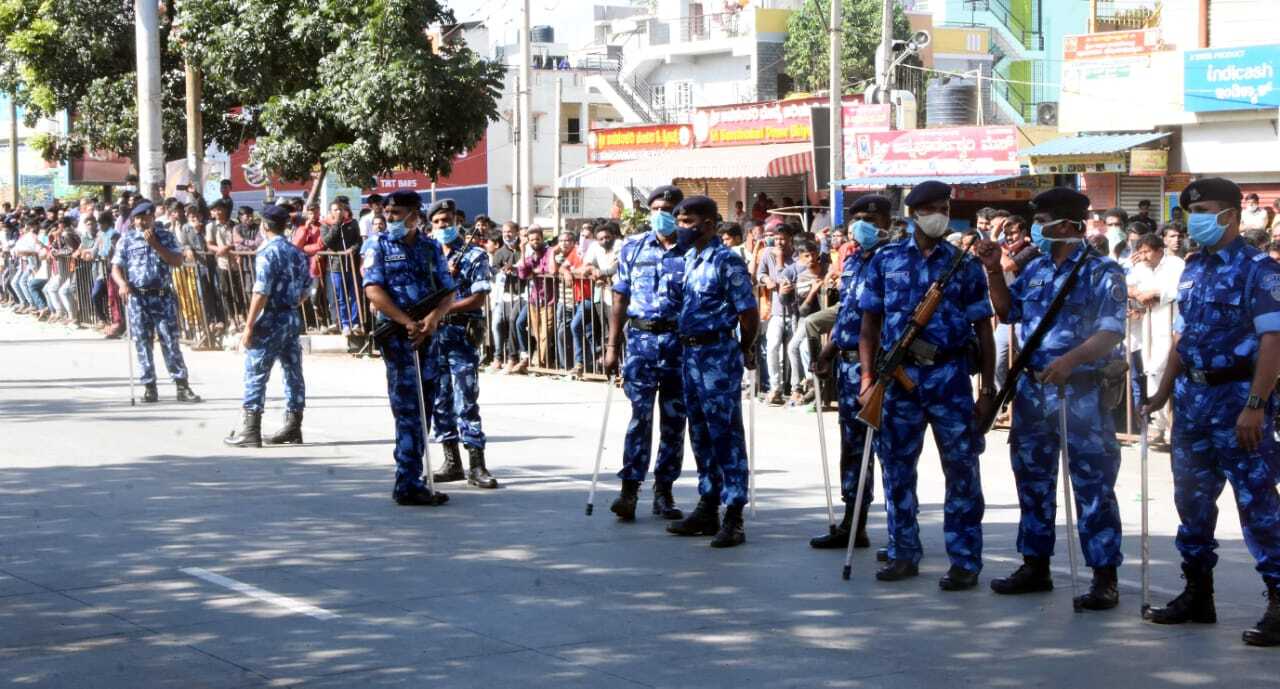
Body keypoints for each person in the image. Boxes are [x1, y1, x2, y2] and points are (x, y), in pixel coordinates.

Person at [1141, 177, 1280, 646]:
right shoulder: (1194, 269)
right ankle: (1197, 593)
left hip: (1239, 401)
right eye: (1192, 211)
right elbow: (1184, 337)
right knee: (1192, 504)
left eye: (1208, 210)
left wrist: (1256, 406)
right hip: (1194, 403)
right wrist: (1162, 393)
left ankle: (1279, 600)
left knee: (1258, 503)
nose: (1197, 218)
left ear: (1233, 216)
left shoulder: (1259, 270)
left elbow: (1273, 341)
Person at [980, 187, 1127, 610]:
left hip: (1079, 391)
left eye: (1042, 221)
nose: (1036, 230)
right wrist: (993, 272)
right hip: (1032, 391)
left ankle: (1104, 576)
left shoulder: (1102, 272)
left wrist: (1071, 360)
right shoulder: (1037, 268)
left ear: (1064, 225)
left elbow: (1111, 330)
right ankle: (1035, 564)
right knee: (1032, 480)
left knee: (1093, 485)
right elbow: (1009, 312)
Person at [857, 180, 995, 589]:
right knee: (897, 469)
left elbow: (983, 329)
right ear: (913, 213)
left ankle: (965, 560)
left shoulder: (963, 264)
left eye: (945, 207)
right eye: (932, 208)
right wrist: (867, 378)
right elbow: (869, 323)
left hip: (949, 377)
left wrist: (987, 390)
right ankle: (903, 551)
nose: (940, 215)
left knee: (962, 471)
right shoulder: (885, 260)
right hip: (897, 381)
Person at [664, 196, 760, 548]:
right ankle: (708, 505)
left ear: (707, 224)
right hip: (691, 354)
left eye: (687, 221)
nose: (680, 228)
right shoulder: (691, 259)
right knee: (701, 433)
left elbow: (747, 314)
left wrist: (745, 348)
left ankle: (734, 513)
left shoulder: (726, 261)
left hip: (717, 354)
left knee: (726, 435)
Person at [361, 189, 457, 506]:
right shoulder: (378, 245)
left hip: (428, 337)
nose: (390, 218)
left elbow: (447, 291)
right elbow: (373, 290)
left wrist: (432, 319)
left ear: (416, 215)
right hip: (399, 339)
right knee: (407, 411)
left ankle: (414, 476)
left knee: (426, 408)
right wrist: (405, 321)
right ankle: (406, 481)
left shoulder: (430, 248)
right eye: (388, 213)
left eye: (397, 213)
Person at [808, 195, 892, 551]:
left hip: (878, 366)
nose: (862, 225)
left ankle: (901, 533)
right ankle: (852, 522)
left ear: (887, 220)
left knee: (888, 449)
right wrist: (827, 350)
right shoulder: (855, 259)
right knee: (853, 447)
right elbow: (848, 312)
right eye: (856, 218)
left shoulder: (895, 260)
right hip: (846, 364)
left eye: (870, 218)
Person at [603, 185, 688, 522]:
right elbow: (620, 298)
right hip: (640, 342)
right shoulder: (633, 248)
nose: (661, 214)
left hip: (678, 343)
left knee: (673, 422)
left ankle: (664, 491)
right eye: (655, 208)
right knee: (640, 418)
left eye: (667, 208)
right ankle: (629, 489)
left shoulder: (691, 249)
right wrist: (612, 347)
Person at [224, 204, 311, 448]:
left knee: (256, 371)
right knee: (293, 371)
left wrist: (249, 326)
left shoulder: (267, 252)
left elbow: (260, 291)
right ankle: (294, 425)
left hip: (271, 317)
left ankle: (251, 429)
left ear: (264, 225)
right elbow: (308, 287)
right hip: (291, 317)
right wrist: (292, 302)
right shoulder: (296, 252)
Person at [426, 199, 498, 490]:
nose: (443, 225)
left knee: (466, 399)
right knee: (440, 400)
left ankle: (477, 465)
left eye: (447, 220)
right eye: (438, 222)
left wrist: (444, 309)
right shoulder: (427, 254)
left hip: (460, 335)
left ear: (456, 220)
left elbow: (479, 296)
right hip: (432, 336)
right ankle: (451, 461)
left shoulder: (474, 254)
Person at [110, 200, 203, 404]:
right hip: (138, 297)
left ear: (153, 218)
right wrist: (122, 284)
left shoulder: (165, 236)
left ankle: (181, 385)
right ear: (133, 221)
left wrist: (155, 245)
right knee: (142, 342)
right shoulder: (126, 240)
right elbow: (115, 267)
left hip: (162, 296)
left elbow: (177, 261)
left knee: (170, 341)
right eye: (139, 218)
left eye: (146, 218)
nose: (142, 222)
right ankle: (149, 387)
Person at [1128, 232, 1184, 447]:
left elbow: (1181, 289)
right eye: (1140, 252)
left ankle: (1171, 427)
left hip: (1171, 323)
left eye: (1147, 252)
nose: (1143, 256)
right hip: (1148, 325)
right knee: (1151, 370)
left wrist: (1156, 293)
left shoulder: (1175, 264)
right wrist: (1137, 293)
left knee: (1165, 369)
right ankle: (1158, 424)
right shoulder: (1140, 267)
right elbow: (1128, 285)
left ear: (1160, 250)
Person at [321, 198, 364, 335]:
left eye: (340, 209)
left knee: (353, 294)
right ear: (330, 212)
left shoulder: (352, 223)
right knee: (340, 296)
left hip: (351, 264)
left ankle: (355, 322)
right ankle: (345, 324)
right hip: (336, 266)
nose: (338, 212)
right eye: (335, 210)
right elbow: (328, 242)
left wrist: (353, 249)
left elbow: (358, 240)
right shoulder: (326, 225)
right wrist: (337, 223)